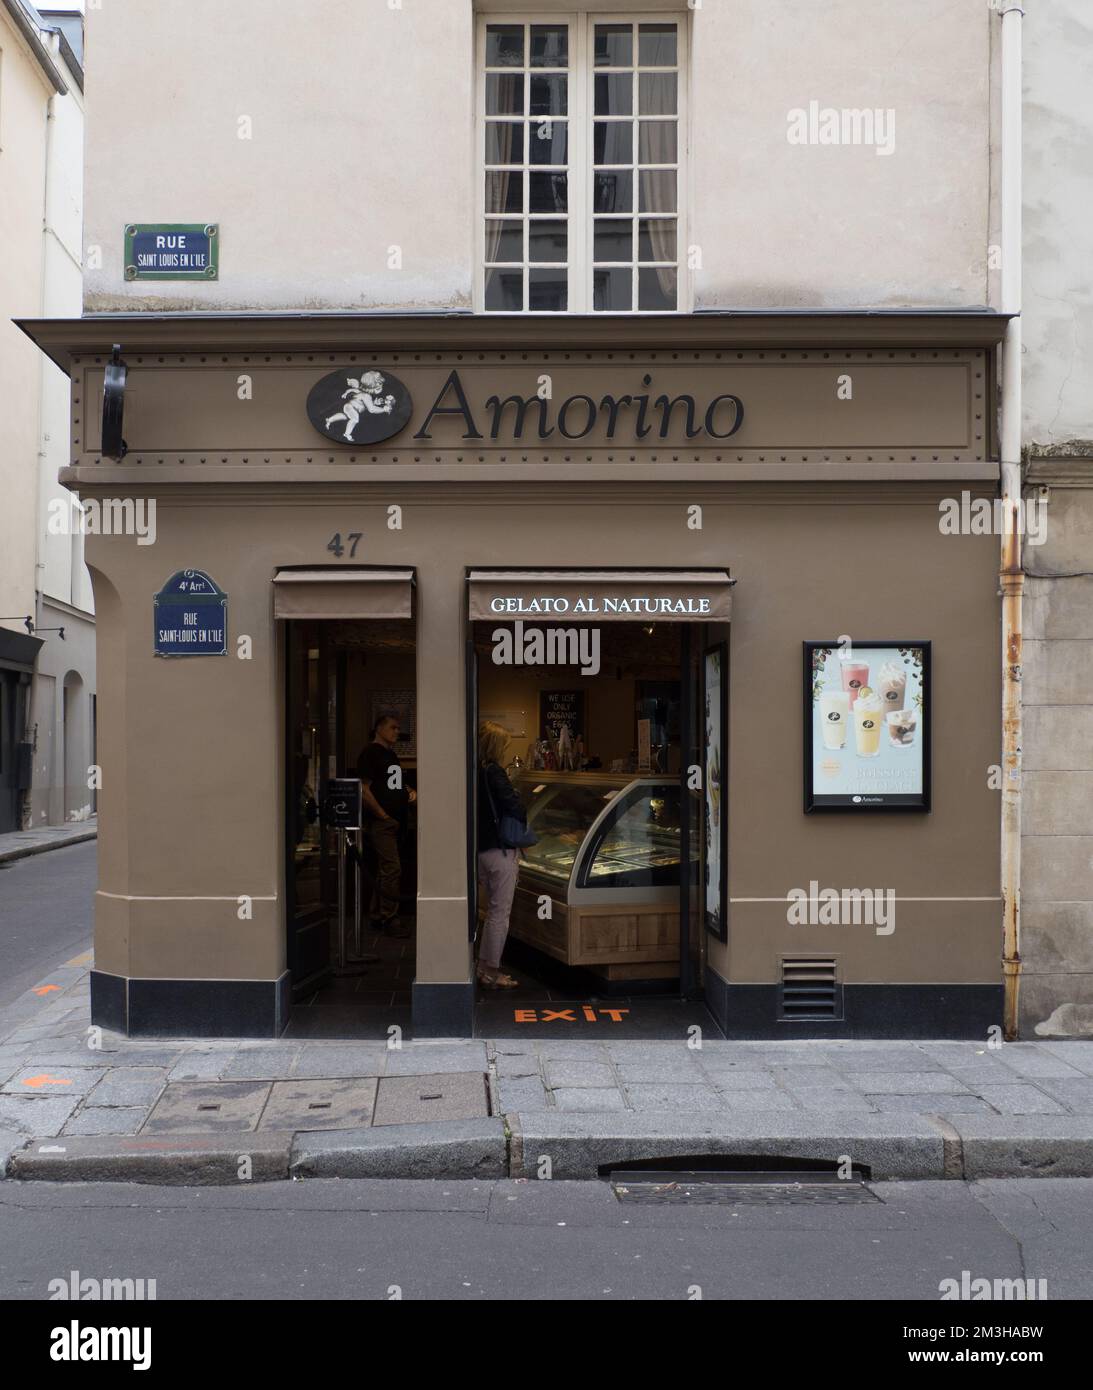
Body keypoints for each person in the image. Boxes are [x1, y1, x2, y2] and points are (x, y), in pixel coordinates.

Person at [476, 720, 526, 990]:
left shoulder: (475, 771)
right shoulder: (495, 772)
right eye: (505, 745)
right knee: (499, 913)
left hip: (480, 850)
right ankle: (492, 972)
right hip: (500, 849)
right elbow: (514, 807)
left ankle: (483, 966)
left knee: (490, 911)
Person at [356, 714, 416, 938]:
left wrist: (408, 793)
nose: (396, 731)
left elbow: (392, 783)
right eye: (393, 727)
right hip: (383, 823)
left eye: (398, 728)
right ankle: (390, 917)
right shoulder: (370, 753)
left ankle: (377, 915)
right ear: (379, 729)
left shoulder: (390, 754)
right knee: (392, 868)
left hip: (395, 821)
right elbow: (364, 788)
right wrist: (382, 815)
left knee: (385, 870)